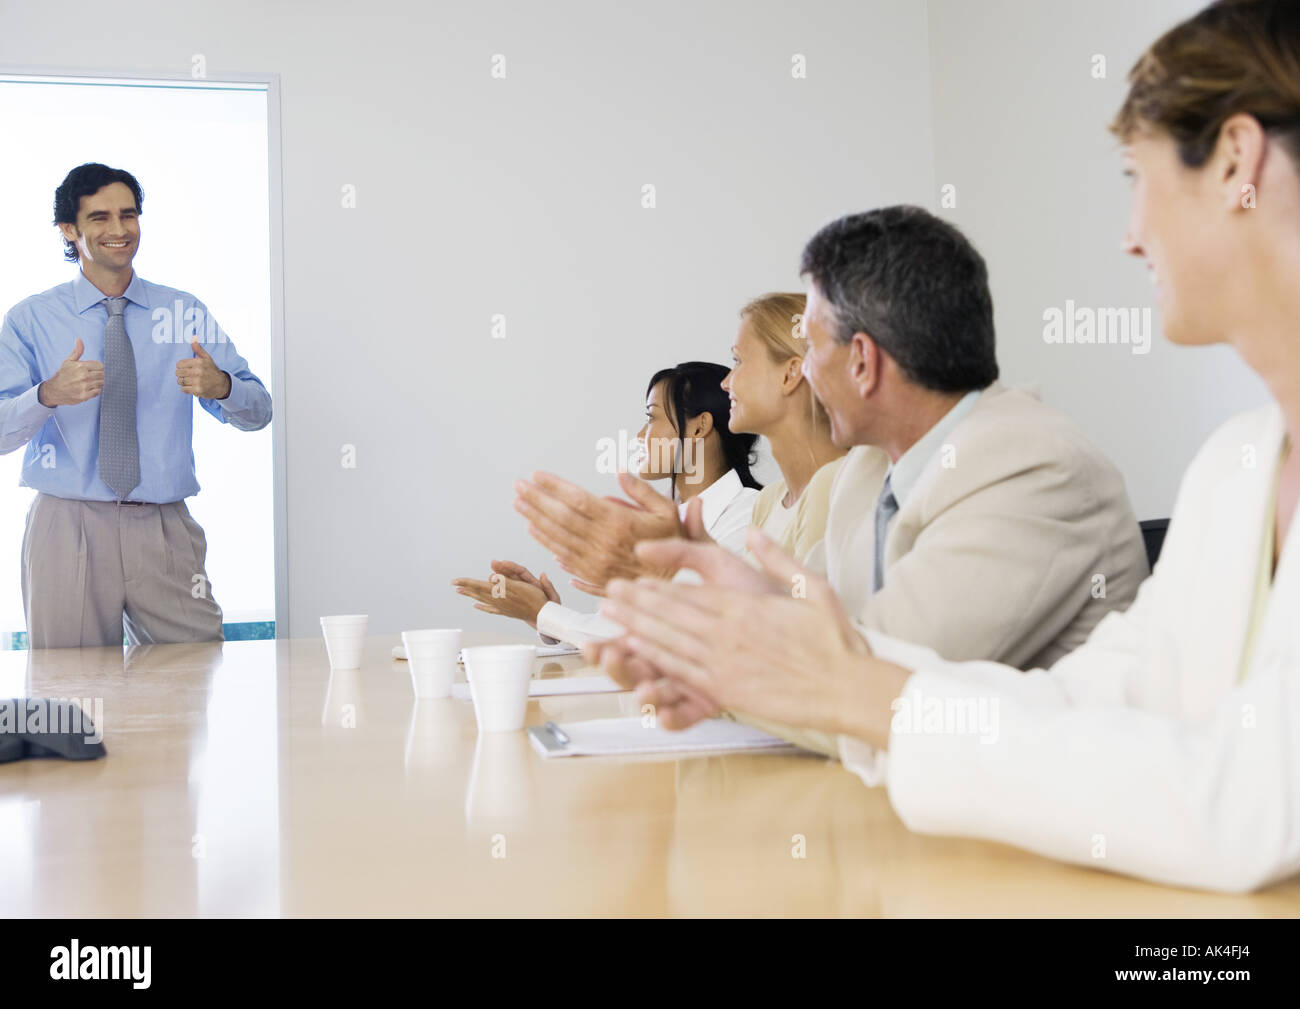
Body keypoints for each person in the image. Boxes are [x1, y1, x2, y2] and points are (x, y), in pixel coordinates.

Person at [593, 0, 1300, 893]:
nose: (1129, 234)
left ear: (1235, 159)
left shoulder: (1039, 463)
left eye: (1135, 174)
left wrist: (835, 681)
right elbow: (1100, 701)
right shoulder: (1238, 463)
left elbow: (1249, 805)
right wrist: (791, 651)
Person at [0, 163, 271, 647]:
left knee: (196, 673)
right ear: (69, 229)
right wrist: (47, 395)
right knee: (71, 694)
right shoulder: (30, 319)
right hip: (68, 527)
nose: (119, 230)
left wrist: (223, 386)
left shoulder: (183, 312)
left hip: (164, 527)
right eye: (100, 217)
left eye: (129, 215)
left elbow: (259, 413)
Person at [453, 361, 762, 644]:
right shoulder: (659, 520)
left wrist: (541, 613)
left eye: (651, 416)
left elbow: (674, 637)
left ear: (699, 427)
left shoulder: (751, 517)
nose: (640, 435)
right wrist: (545, 613)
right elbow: (617, 635)